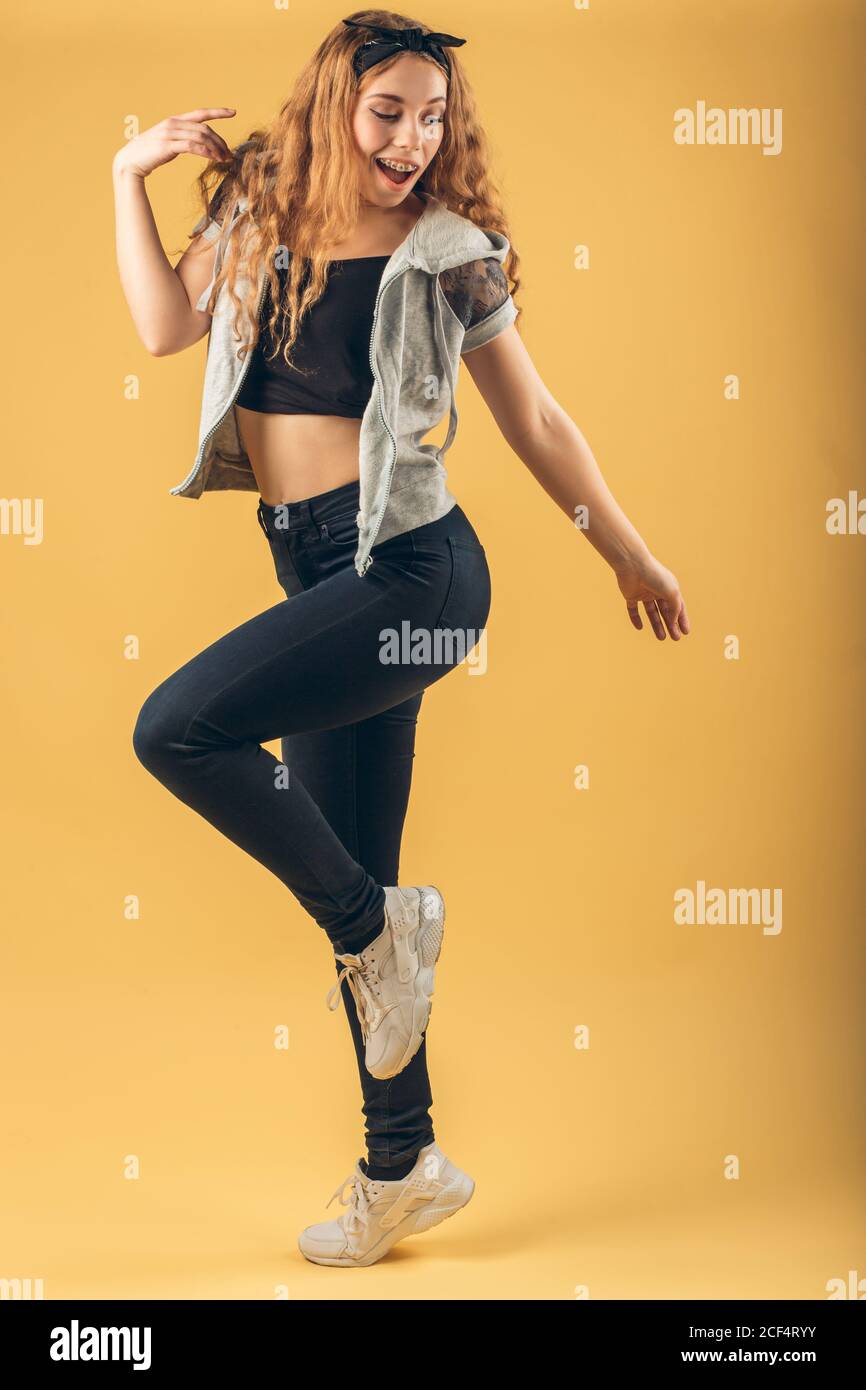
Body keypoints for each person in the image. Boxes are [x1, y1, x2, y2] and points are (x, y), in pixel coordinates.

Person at [111, 10, 690, 1269]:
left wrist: (625, 551)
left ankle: (381, 932)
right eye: (390, 113)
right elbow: (163, 326)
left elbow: (534, 417)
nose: (412, 140)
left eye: (433, 117)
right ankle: (402, 1164)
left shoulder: (449, 250)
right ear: (337, 103)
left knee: (177, 727)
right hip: (312, 566)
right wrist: (125, 179)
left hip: (415, 571)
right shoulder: (261, 199)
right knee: (360, 885)